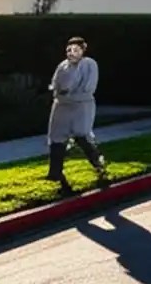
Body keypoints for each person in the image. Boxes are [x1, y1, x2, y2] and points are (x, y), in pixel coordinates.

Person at [46, 37, 108, 195]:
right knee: (56, 139)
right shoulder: (62, 66)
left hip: (81, 105)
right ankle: (57, 176)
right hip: (61, 105)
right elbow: (55, 83)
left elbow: (89, 86)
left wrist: (70, 91)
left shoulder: (89, 64)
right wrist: (57, 91)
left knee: (82, 136)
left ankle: (98, 165)